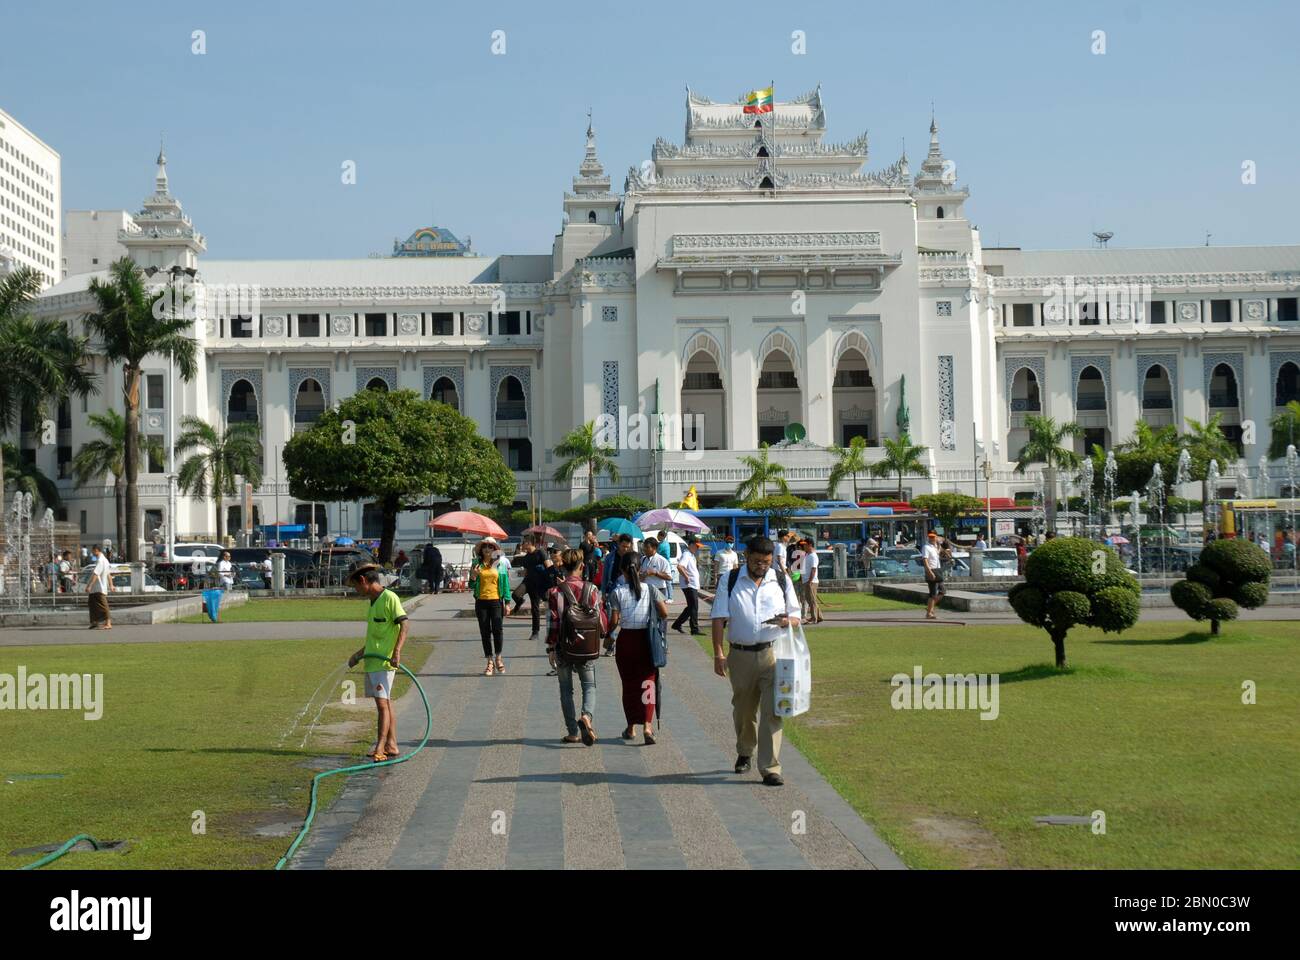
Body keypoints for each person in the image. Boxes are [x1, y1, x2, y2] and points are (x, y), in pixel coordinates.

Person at [710, 536, 801, 787]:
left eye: (767, 562)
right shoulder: (730, 580)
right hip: (740, 655)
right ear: (746, 555)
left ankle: (770, 767)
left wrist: (787, 621)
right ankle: (744, 750)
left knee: (773, 711)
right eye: (758, 561)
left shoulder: (780, 580)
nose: (762, 566)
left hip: (774, 654)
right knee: (744, 709)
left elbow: (796, 616)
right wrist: (718, 653)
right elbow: (719, 618)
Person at [346, 564, 410, 763]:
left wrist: (397, 652)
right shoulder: (372, 602)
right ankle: (391, 744)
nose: (356, 591)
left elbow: (404, 624)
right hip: (372, 661)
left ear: (364, 581)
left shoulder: (390, 598)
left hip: (384, 662)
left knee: (382, 705)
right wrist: (359, 654)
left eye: (356, 586)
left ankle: (380, 747)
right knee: (385, 703)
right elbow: (375, 636)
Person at [546, 548, 608, 745]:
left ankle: (573, 732)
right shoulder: (592, 590)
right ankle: (587, 717)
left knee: (566, 689)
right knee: (589, 686)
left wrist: (551, 648)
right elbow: (602, 621)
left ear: (562, 567)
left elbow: (553, 623)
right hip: (587, 646)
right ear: (582, 566)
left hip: (564, 647)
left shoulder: (555, 592)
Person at [608, 551, 668, 744]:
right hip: (646, 641)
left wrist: (609, 636)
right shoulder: (650, 590)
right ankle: (648, 727)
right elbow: (664, 613)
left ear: (622, 570)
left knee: (629, 685)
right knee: (648, 682)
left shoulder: (617, 592)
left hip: (626, 642)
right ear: (640, 569)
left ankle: (631, 727)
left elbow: (614, 621)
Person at [469, 539, 511, 675]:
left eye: (490, 547)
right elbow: (471, 586)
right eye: (484, 547)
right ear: (481, 550)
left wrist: (508, 602)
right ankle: (489, 662)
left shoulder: (499, 564)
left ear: (494, 550)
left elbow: (505, 583)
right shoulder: (476, 564)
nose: (487, 549)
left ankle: (498, 658)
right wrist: (473, 577)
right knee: (485, 632)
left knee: (498, 630)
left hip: (496, 602)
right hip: (481, 602)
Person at [672, 535, 702, 635]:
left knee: (691, 607)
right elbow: (680, 567)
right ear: (691, 545)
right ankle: (694, 629)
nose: (697, 548)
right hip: (689, 585)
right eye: (696, 546)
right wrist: (686, 577)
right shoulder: (686, 554)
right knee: (694, 607)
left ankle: (677, 624)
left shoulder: (690, 555)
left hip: (691, 585)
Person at [87, 543, 113, 630]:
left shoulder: (101, 561)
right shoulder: (104, 560)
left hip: (99, 587)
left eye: (93, 551)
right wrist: (111, 585)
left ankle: (108, 623)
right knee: (92, 604)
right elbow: (109, 574)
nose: (92, 552)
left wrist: (90, 585)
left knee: (103, 605)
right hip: (97, 588)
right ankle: (94, 622)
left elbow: (96, 574)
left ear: (96, 550)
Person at [923, 531, 944, 620]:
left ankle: (930, 609)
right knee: (933, 593)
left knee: (942, 591)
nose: (931, 538)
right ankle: (929, 613)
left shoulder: (936, 546)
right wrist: (929, 572)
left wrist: (939, 544)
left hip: (938, 569)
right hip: (932, 570)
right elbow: (925, 560)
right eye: (930, 537)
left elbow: (943, 544)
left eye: (933, 537)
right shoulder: (926, 547)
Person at [801, 541, 823, 623]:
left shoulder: (813, 556)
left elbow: (813, 569)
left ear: (810, 545)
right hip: (806, 580)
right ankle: (818, 616)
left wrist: (810, 581)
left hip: (811, 581)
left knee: (812, 600)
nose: (804, 546)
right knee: (809, 599)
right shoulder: (807, 555)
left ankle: (814, 618)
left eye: (805, 545)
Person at [656, 534, 674, 601]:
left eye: (658, 535)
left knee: (667, 581)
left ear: (662, 536)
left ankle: (670, 598)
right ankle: (667, 597)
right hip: (665, 563)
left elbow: (657, 553)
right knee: (665, 581)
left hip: (665, 564)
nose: (657, 537)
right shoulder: (665, 543)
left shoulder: (662, 545)